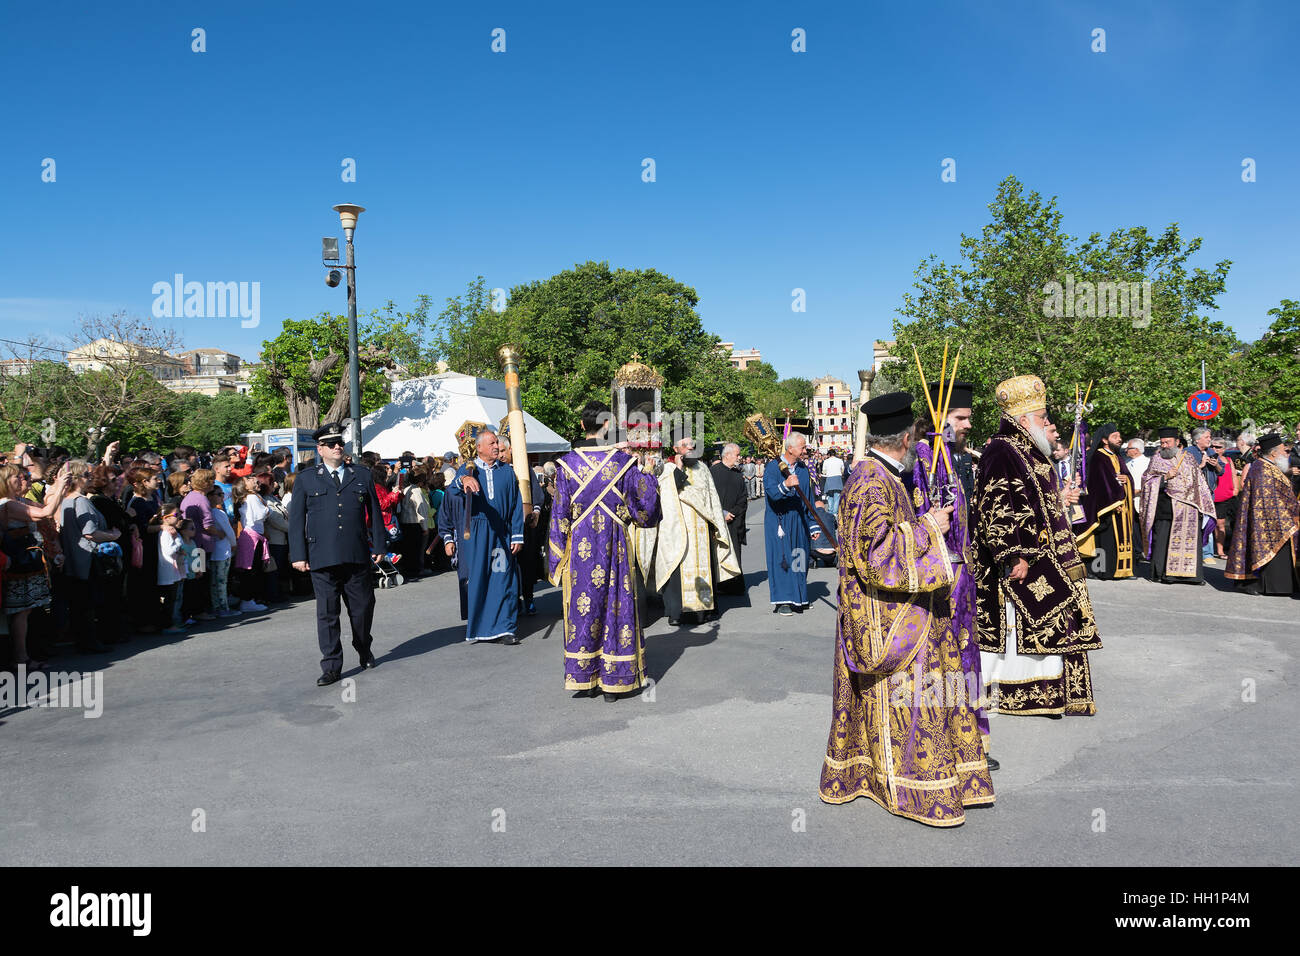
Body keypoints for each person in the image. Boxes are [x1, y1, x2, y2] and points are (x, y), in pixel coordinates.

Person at [818, 391, 993, 827]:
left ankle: (877, 775)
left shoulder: (885, 476)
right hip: (889, 618)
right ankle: (913, 786)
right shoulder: (872, 481)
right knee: (912, 701)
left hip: (897, 610)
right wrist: (930, 527)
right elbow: (876, 554)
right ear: (903, 437)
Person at [974, 375, 1101, 718]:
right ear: (1024, 419)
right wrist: (1013, 553)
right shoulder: (1003, 449)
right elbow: (999, 503)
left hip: (1051, 553)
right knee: (1029, 625)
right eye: (1043, 418)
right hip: (1026, 560)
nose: (1048, 424)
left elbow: (1031, 501)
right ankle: (1020, 695)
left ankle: (1049, 694)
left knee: (1053, 624)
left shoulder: (1025, 449)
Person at [548, 400, 661, 700]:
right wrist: (647, 470)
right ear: (607, 426)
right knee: (616, 606)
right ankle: (614, 679)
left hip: (581, 550)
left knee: (584, 608)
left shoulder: (566, 466)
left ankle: (585, 678)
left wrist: (555, 558)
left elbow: (559, 516)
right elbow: (646, 510)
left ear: (583, 425)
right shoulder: (624, 463)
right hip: (616, 547)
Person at [907, 380, 992, 764]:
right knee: (947, 660)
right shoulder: (922, 456)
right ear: (941, 417)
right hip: (943, 577)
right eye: (962, 418)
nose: (968, 425)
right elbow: (917, 517)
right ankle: (950, 742)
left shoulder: (951, 456)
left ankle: (969, 737)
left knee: (965, 656)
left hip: (963, 577)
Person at [288, 423, 386, 686]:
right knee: (327, 613)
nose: (337, 447)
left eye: (339, 442)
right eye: (331, 444)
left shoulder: (361, 474)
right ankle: (331, 665)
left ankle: (363, 645)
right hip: (322, 555)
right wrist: (298, 554)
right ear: (320, 449)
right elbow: (296, 519)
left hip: (356, 553)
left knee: (363, 608)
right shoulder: (307, 479)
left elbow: (374, 513)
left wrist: (379, 546)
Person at [645, 433, 738, 625]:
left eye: (692, 445)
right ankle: (677, 613)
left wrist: (715, 523)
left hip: (702, 529)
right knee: (676, 567)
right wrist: (678, 469)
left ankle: (704, 611)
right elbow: (665, 494)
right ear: (675, 449)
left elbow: (711, 498)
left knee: (704, 568)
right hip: (677, 529)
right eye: (685, 445)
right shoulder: (666, 468)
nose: (690, 448)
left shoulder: (702, 468)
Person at [444, 430, 524, 644]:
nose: (497, 446)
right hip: (477, 534)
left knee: (502, 578)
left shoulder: (507, 471)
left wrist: (517, 535)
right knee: (479, 579)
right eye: (492, 443)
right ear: (479, 448)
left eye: (497, 442)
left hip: (500, 533)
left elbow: (516, 504)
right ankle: (481, 627)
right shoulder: (469, 469)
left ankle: (505, 628)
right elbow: (452, 491)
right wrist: (463, 480)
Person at [1, 463, 70, 669]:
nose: (24, 480)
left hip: (28, 561)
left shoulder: (19, 501)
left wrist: (60, 488)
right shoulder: (7, 504)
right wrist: (58, 488)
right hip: (19, 562)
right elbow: (45, 512)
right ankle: (20, 658)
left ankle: (25, 654)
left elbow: (47, 511)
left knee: (28, 610)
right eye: (18, 477)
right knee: (21, 611)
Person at [1140, 427, 1216, 585]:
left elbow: (1199, 483)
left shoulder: (1188, 458)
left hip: (1188, 508)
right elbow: (1146, 481)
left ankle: (1189, 576)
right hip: (1164, 507)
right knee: (1163, 541)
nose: (1165, 445)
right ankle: (1162, 574)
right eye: (1162, 443)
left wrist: (1203, 504)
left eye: (1167, 442)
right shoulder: (1156, 459)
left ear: (1177, 442)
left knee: (1188, 541)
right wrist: (1165, 478)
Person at [59, 461, 120, 655]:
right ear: (76, 478)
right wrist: (112, 536)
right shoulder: (81, 501)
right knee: (87, 603)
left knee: (80, 603)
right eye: (86, 474)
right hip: (86, 558)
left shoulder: (67, 501)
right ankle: (90, 641)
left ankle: (85, 640)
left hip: (74, 558)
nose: (90, 477)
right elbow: (90, 532)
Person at [1225, 434, 1299, 595]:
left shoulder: (1270, 466)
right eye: (1283, 451)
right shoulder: (1262, 469)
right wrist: (1287, 519)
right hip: (1271, 520)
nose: (1287, 454)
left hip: (1282, 516)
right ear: (1273, 453)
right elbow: (1266, 500)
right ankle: (1270, 586)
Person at [1075, 423, 1135, 580]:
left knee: (1118, 541)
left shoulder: (1117, 456)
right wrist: (1115, 501)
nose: (1119, 439)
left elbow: (1126, 477)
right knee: (1106, 541)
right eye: (1115, 437)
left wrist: (1127, 480)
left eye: (1119, 436)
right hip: (1106, 507)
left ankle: (1122, 571)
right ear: (1104, 440)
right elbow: (1100, 484)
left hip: (1119, 505)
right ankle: (1105, 571)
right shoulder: (1098, 457)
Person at [763, 432, 814, 616]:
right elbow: (772, 494)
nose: (805, 450)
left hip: (799, 519)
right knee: (783, 559)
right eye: (802, 447)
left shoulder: (802, 469)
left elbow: (808, 498)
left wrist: (812, 524)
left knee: (800, 556)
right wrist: (785, 484)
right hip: (780, 520)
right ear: (790, 448)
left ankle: (799, 596)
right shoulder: (772, 468)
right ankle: (783, 600)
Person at [499, 437, 544, 614]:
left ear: (510, 450)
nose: (501, 455)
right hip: (506, 527)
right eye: (498, 451)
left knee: (527, 564)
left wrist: (536, 513)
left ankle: (529, 597)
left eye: (504, 451)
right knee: (508, 566)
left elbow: (536, 494)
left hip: (524, 525)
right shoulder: (497, 472)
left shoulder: (524, 469)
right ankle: (513, 599)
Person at [710, 443, 748, 595]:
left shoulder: (738, 474)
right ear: (727, 455)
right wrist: (721, 513)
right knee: (718, 554)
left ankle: (734, 586)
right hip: (717, 520)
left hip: (734, 521)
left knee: (735, 553)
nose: (739, 458)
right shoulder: (712, 472)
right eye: (737, 455)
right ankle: (719, 584)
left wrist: (732, 512)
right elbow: (708, 497)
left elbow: (743, 498)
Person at [232, 474, 270, 614]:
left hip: (251, 535)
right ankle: (248, 600)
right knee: (252, 569)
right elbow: (260, 515)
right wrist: (267, 508)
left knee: (250, 568)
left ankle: (248, 599)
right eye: (248, 479)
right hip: (253, 536)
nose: (253, 479)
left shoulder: (250, 498)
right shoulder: (252, 497)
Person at [398, 465, 429, 582]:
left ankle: (408, 570)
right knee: (415, 549)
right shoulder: (417, 491)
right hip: (414, 523)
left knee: (408, 549)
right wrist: (425, 527)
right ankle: (414, 571)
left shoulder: (406, 489)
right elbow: (421, 510)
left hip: (404, 523)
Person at [821, 448, 845, 517]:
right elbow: (842, 470)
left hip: (829, 479)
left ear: (829, 454)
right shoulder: (840, 460)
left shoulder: (826, 461)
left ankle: (830, 511)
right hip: (837, 478)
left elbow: (824, 471)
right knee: (837, 496)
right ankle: (835, 512)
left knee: (830, 496)